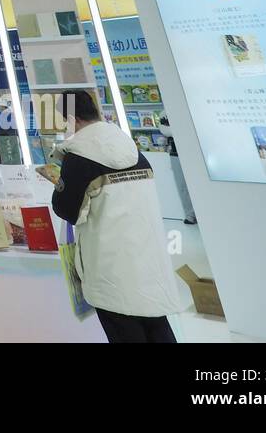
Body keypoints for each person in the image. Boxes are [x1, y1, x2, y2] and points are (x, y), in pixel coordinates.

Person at [48, 90, 182, 343]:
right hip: (146, 256)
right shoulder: (130, 147)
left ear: (72, 119)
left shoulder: (79, 156)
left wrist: (59, 184)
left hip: (110, 262)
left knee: (123, 327)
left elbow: (67, 209)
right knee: (155, 323)